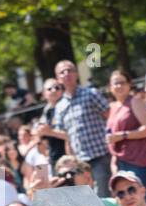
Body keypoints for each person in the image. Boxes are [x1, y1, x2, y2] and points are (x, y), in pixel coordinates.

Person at [45, 61, 112, 195]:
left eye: (70, 70)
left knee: (103, 196)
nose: (66, 74)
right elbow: (66, 137)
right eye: (62, 72)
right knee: (86, 197)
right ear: (58, 79)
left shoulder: (91, 93)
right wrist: (70, 159)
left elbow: (109, 116)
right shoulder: (60, 106)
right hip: (80, 162)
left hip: (100, 156)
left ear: (76, 74)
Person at [104, 70, 146, 195]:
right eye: (115, 83)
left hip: (139, 160)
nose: (119, 86)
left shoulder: (135, 101)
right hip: (120, 161)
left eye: (122, 83)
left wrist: (123, 135)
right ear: (110, 87)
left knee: (143, 198)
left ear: (129, 85)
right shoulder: (112, 107)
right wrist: (113, 161)